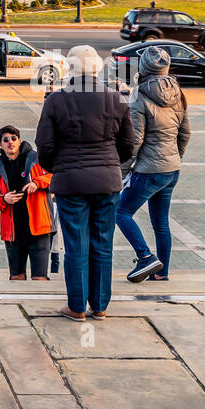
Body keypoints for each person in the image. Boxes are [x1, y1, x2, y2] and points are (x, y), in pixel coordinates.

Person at [35, 45, 134, 321]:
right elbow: (128, 145)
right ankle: (100, 306)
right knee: (103, 244)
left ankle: (77, 307)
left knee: (76, 245)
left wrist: (58, 168)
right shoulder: (117, 99)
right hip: (107, 181)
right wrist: (111, 163)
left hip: (70, 182)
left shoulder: (56, 100)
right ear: (97, 68)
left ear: (71, 68)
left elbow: (44, 146)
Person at [116, 46, 191, 283]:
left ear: (143, 68)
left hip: (149, 170)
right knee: (161, 223)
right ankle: (162, 272)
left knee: (121, 212)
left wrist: (122, 171)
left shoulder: (140, 94)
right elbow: (185, 133)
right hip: (171, 170)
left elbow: (135, 141)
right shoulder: (178, 92)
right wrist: (175, 157)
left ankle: (146, 257)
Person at [0, 127, 53, 281]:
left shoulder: (37, 160)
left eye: (13, 138)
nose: (10, 142)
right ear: (1, 145)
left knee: (39, 278)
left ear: (19, 141)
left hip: (39, 228)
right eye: (6, 140)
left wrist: (37, 183)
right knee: (16, 277)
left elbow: (55, 177)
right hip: (13, 231)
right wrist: (4, 199)